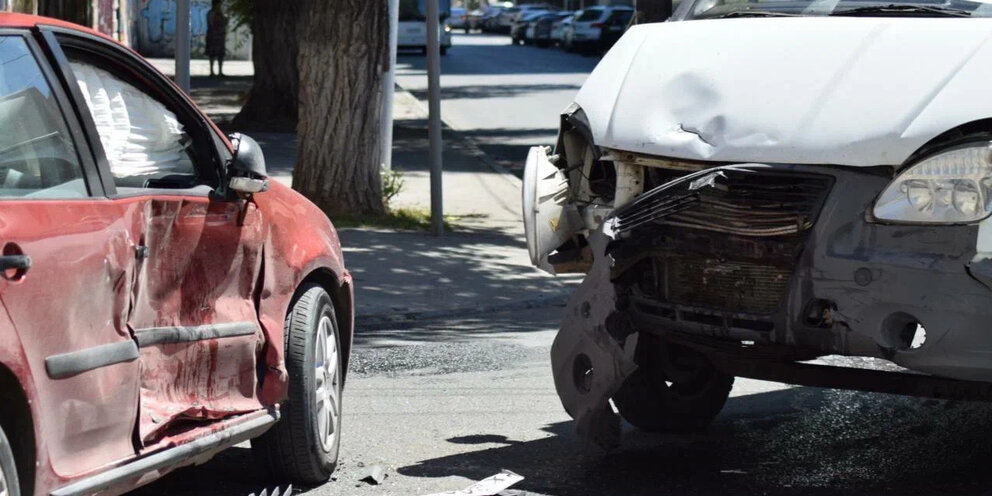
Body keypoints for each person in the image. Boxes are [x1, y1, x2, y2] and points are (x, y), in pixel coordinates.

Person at [206, 0, 228, 77]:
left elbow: (225, 23)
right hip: (213, 36)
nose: (220, 6)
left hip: (220, 36)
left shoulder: (221, 14)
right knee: (212, 54)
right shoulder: (212, 13)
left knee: (220, 54)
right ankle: (212, 71)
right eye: (219, 4)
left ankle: (220, 71)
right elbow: (211, 23)